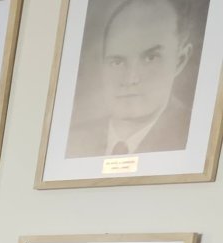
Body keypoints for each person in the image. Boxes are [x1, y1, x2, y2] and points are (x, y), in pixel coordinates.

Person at [66, 0, 197, 158]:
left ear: (180, 60)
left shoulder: (194, 135)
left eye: (150, 58)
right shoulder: (73, 140)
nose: (130, 79)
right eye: (117, 62)